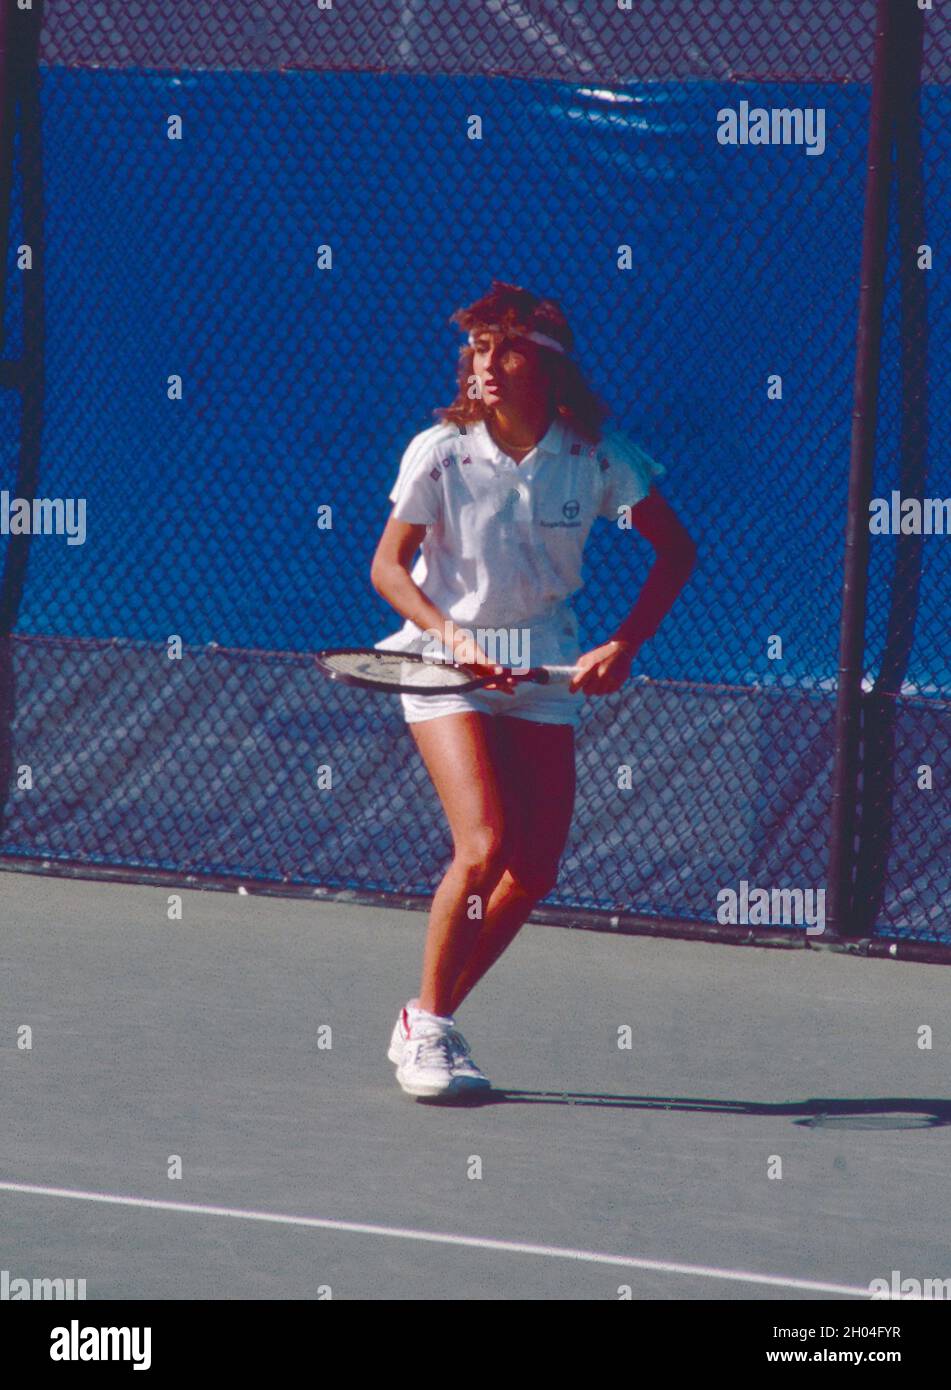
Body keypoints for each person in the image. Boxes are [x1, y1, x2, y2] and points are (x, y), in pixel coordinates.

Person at [370, 281, 696, 1100]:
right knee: (482, 844)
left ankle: (426, 1015)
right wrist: (454, 639)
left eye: (499, 346)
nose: (482, 361)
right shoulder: (437, 453)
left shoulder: (596, 456)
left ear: (543, 366)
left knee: (536, 866)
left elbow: (675, 553)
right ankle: (432, 1036)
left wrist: (623, 643)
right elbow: (385, 568)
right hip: (444, 666)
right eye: (474, 346)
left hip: (541, 666)